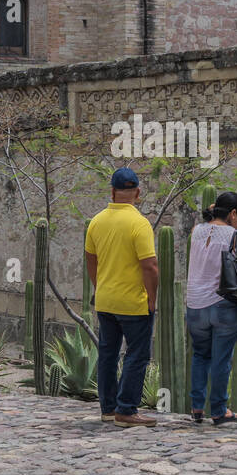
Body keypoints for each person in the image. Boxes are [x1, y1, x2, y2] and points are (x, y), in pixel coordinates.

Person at [184, 191, 237, 424]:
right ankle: (220, 410)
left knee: (200, 355)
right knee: (221, 359)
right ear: (232, 214)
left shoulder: (196, 232)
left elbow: (208, 220)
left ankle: (197, 408)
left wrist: (214, 211)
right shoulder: (236, 236)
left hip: (195, 306)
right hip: (223, 307)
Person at [85, 168, 159, 427]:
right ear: (138, 193)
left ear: (112, 191)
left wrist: (101, 286)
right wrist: (152, 298)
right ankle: (126, 410)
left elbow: (90, 260)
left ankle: (108, 408)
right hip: (133, 303)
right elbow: (150, 265)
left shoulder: (96, 221)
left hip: (105, 300)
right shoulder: (139, 223)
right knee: (136, 355)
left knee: (107, 353)